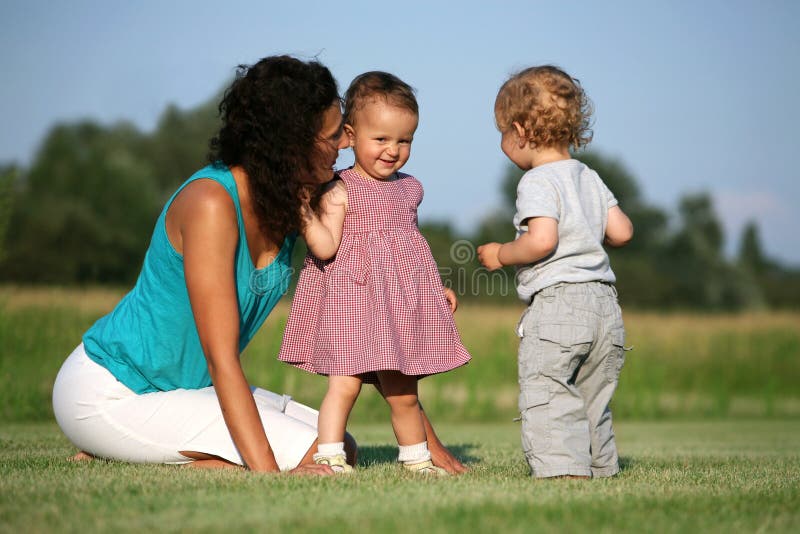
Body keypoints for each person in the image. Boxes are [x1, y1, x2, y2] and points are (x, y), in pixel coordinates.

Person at [52, 56, 464, 475]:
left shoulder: (292, 202)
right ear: (291, 144)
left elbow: (368, 325)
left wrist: (430, 443)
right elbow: (221, 358)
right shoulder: (212, 204)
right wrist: (269, 475)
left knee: (341, 445)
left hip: (184, 389)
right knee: (311, 457)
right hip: (115, 390)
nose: (345, 144)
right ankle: (123, 444)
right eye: (333, 134)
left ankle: (136, 448)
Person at [278, 72, 472, 475]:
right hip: (353, 299)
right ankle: (329, 454)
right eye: (381, 139)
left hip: (397, 305)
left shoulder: (410, 188)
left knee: (403, 391)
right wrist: (302, 209)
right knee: (344, 383)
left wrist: (437, 288)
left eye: (404, 140)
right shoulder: (338, 188)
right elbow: (325, 247)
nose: (393, 150)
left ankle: (416, 459)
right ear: (349, 134)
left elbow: (411, 249)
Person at [477, 65, 634, 479]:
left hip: (559, 304)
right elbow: (622, 231)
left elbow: (541, 240)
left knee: (549, 390)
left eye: (501, 133)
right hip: (605, 307)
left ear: (520, 130)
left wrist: (501, 254)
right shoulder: (589, 176)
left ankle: (563, 474)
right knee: (593, 399)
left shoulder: (537, 180)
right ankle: (600, 469)